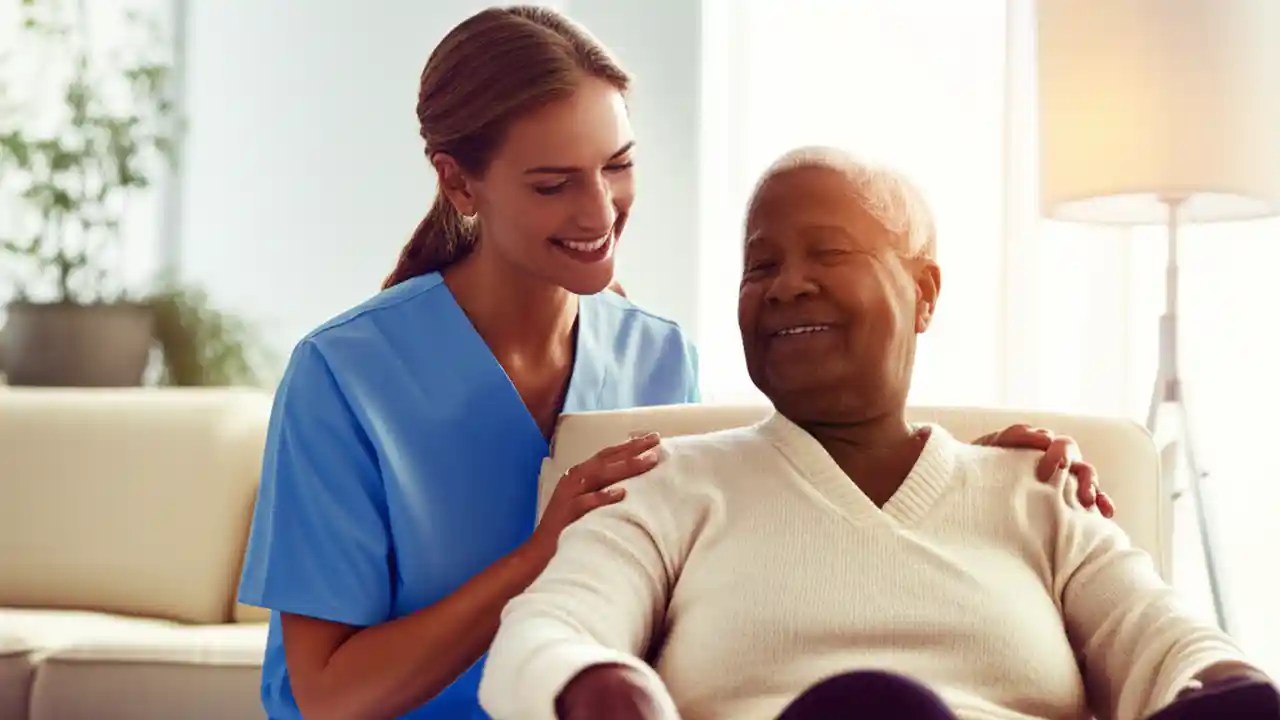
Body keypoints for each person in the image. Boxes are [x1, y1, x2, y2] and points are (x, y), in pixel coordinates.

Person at [236, 8, 1109, 720]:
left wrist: (988, 474)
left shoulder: (657, 356)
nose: (599, 209)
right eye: (553, 184)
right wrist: (538, 557)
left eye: (617, 166)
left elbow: (757, 505)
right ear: (460, 184)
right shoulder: (343, 376)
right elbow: (331, 695)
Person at [477, 147, 1277, 720]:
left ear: (923, 293)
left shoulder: (1036, 493)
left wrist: (1224, 683)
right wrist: (598, 682)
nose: (787, 285)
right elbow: (547, 631)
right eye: (760, 267)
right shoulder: (664, 485)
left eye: (828, 253)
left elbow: (1171, 647)